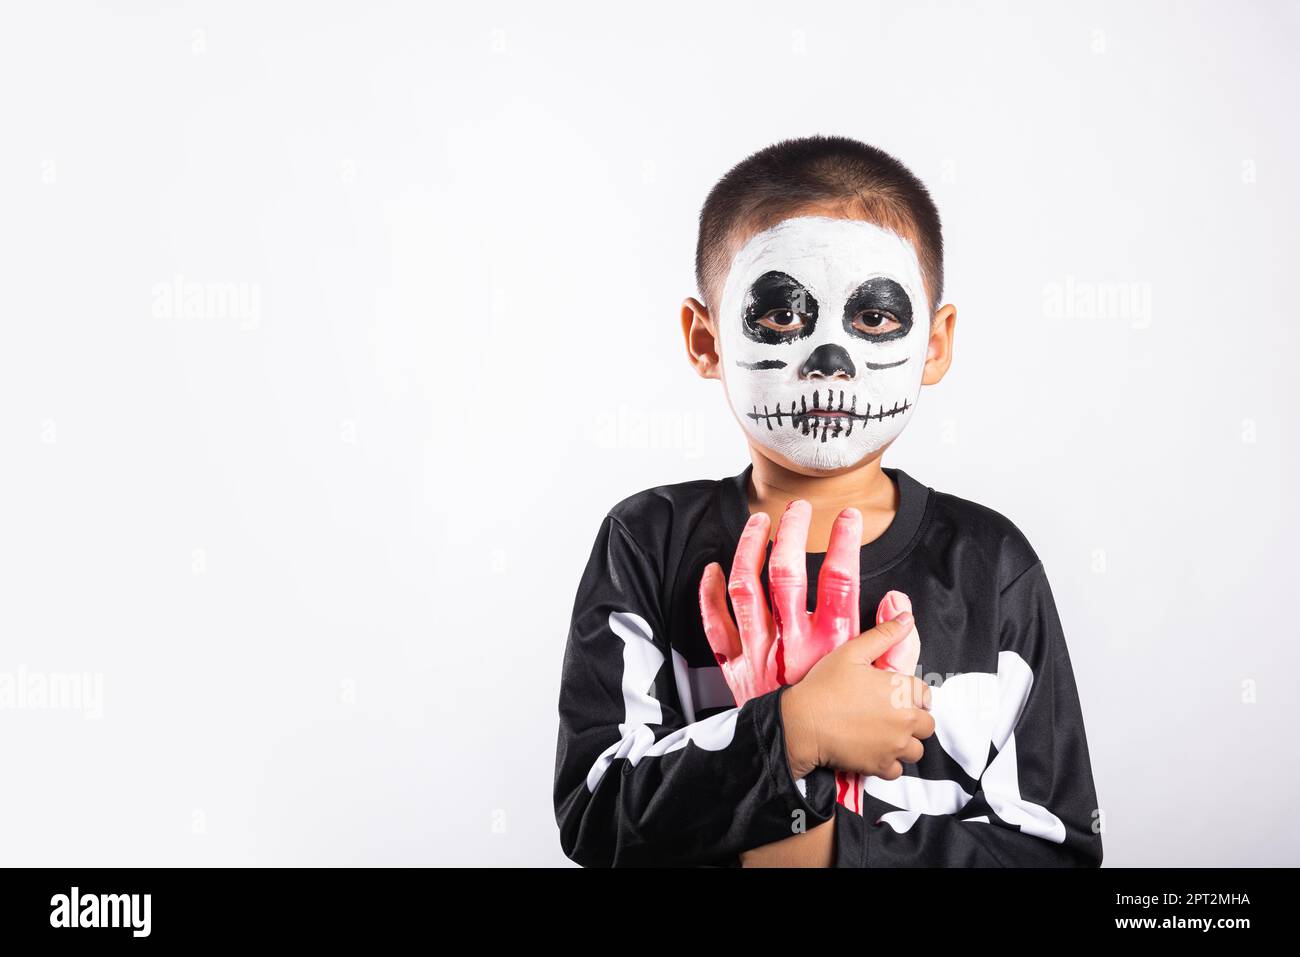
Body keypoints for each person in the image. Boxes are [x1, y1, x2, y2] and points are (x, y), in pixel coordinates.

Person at [552, 135, 1103, 867]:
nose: (830, 363)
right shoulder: (647, 542)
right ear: (705, 338)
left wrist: (822, 850)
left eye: (873, 318)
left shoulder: (990, 564)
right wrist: (791, 730)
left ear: (934, 344)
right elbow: (594, 813)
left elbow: (1058, 849)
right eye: (780, 317)